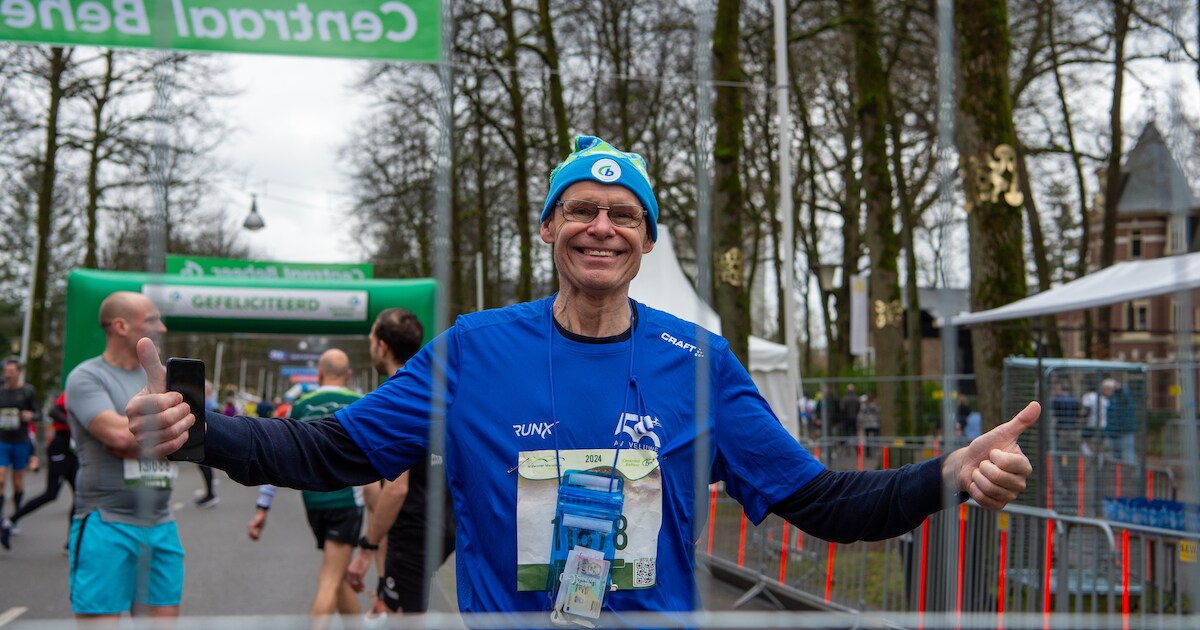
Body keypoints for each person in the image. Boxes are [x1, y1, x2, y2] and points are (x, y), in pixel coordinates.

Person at [127, 135, 1038, 623]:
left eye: (621, 214)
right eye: (580, 211)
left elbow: (823, 500)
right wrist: (203, 431)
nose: (600, 227)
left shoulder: (700, 363)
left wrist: (947, 476)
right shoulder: (474, 351)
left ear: (646, 241)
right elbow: (329, 447)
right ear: (549, 230)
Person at [63, 291, 182, 621]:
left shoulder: (164, 379)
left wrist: (137, 438)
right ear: (121, 326)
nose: (163, 329)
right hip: (107, 522)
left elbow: (185, 437)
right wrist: (163, 434)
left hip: (161, 523)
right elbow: (116, 433)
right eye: (153, 320)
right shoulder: (87, 377)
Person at [345, 308, 456, 617]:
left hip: (413, 532)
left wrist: (366, 547)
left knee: (404, 620)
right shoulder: (434, 394)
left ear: (381, 346)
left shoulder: (396, 400)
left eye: (370, 340)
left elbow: (395, 490)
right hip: (443, 524)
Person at [247, 349, 365, 626]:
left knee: (338, 575)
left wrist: (263, 506)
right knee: (330, 580)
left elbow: (278, 456)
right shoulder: (362, 402)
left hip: (313, 502)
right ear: (348, 375)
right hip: (347, 501)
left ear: (320, 374)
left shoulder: (300, 405)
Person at [8, 392, 78, 543]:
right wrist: (70, 422)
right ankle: (10, 520)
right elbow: (54, 411)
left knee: (79, 496)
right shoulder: (74, 390)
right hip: (60, 447)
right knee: (50, 494)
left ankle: (71, 540)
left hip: (73, 450)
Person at [0, 356, 40, 548]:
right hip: (2, 441)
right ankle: (1, 519)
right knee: (0, 480)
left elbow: (38, 412)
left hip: (20, 442)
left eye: (11, 371)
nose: (8, 374)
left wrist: (30, 415)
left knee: (17, 482)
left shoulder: (27, 391)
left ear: (18, 372)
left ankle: (15, 517)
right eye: (6, 370)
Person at [193, 380, 220, 509]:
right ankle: (209, 494)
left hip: (205, 439)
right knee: (202, 466)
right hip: (201, 438)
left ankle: (211, 495)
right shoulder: (207, 403)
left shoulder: (211, 404)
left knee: (204, 465)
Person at [1103, 378, 1137, 465]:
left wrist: (1118, 387)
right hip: (1113, 433)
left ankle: (1132, 477)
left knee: (1128, 458)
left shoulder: (1122, 397)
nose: (1105, 391)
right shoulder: (1110, 400)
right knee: (1115, 460)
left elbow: (1124, 394)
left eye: (1107, 388)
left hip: (1125, 432)